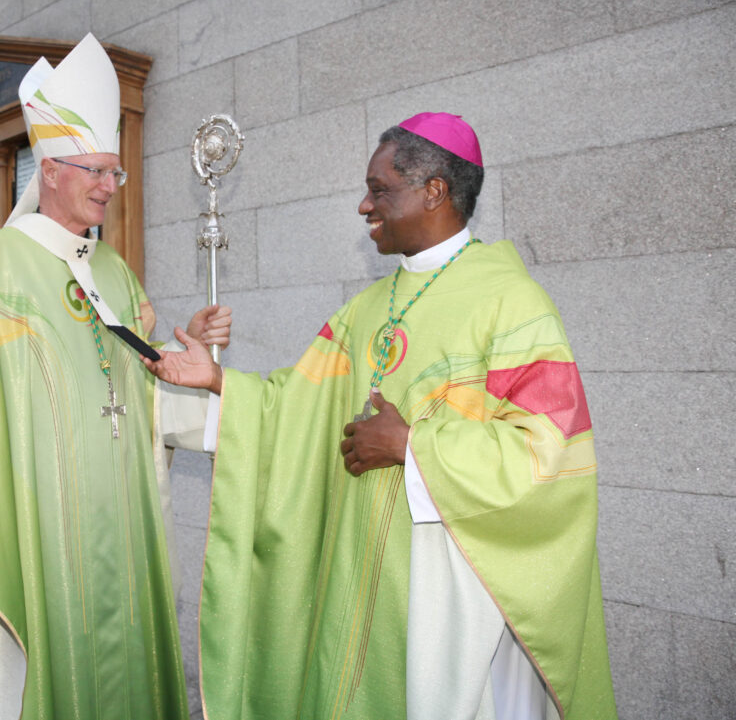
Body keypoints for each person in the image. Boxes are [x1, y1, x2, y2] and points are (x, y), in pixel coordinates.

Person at [145, 113, 617, 719]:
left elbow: (550, 455)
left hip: (447, 594)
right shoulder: (365, 308)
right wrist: (217, 381)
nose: (364, 206)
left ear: (435, 191)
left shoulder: (512, 303)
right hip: (355, 581)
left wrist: (412, 446)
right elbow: (297, 410)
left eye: (380, 189)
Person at [0, 34, 229, 719]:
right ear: (49, 169)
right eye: (97, 171)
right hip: (28, 536)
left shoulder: (115, 274)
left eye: (117, 173)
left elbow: (141, 402)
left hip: (126, 532)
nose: (111, 186)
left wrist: (194, 371)